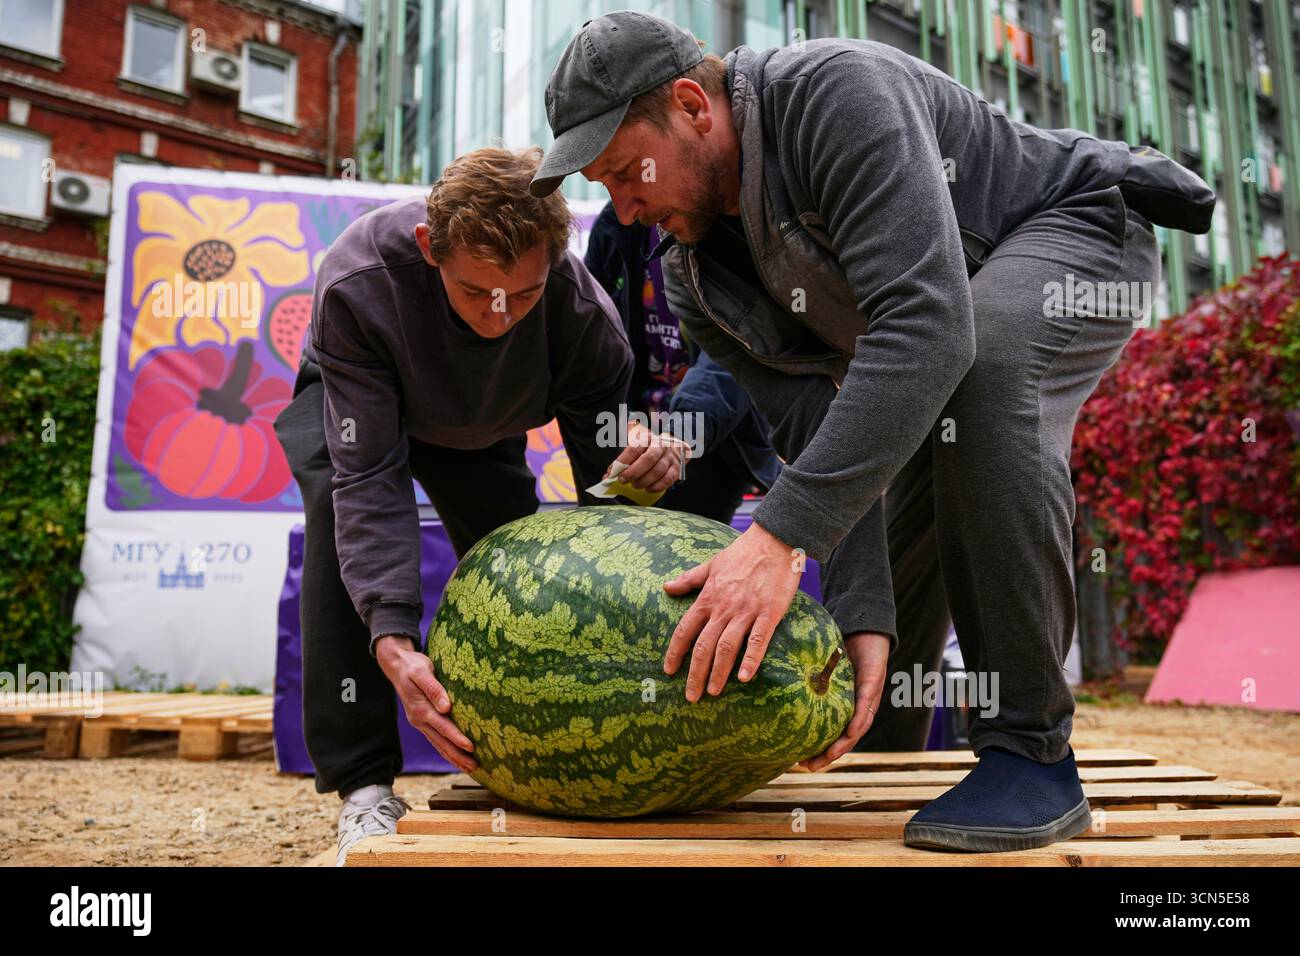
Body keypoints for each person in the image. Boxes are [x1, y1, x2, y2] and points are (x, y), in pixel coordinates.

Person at [531, 12, 1213, 851]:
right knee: (880, 518)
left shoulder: (835, 93)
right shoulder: (697, 281)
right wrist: (859, 621)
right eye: (602, 188)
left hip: (1073, 231)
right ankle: (879, 742)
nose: (624, 210)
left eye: (625, 171)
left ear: (691, 106)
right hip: (954, 328)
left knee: (984, 376)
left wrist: (779, 537)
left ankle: (1029, 752)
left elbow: (928, 329)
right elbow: (818, 435)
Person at [273, 146, 687, 865]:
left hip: (481, 420)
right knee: (341, 533)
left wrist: (643, 474)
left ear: (554, 263)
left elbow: (609, 514)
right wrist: (393, 640)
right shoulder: (357, 283)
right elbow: (369, 477)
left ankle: (535, 751)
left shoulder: (586, 320)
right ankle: (364, 788)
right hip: (359, 409)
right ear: (432, 249)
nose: (499, 318)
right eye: (476, 292)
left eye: (522, 297)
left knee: (522, 576)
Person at [583, 200, 781, 524]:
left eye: (622, 170)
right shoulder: (613, 226)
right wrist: (625, 422)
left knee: (688, 555)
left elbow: (734, 351)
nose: (623, 202)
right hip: (625, 433)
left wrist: (678, 435)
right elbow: (594, 348)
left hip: (710, 441)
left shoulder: (732, 221)